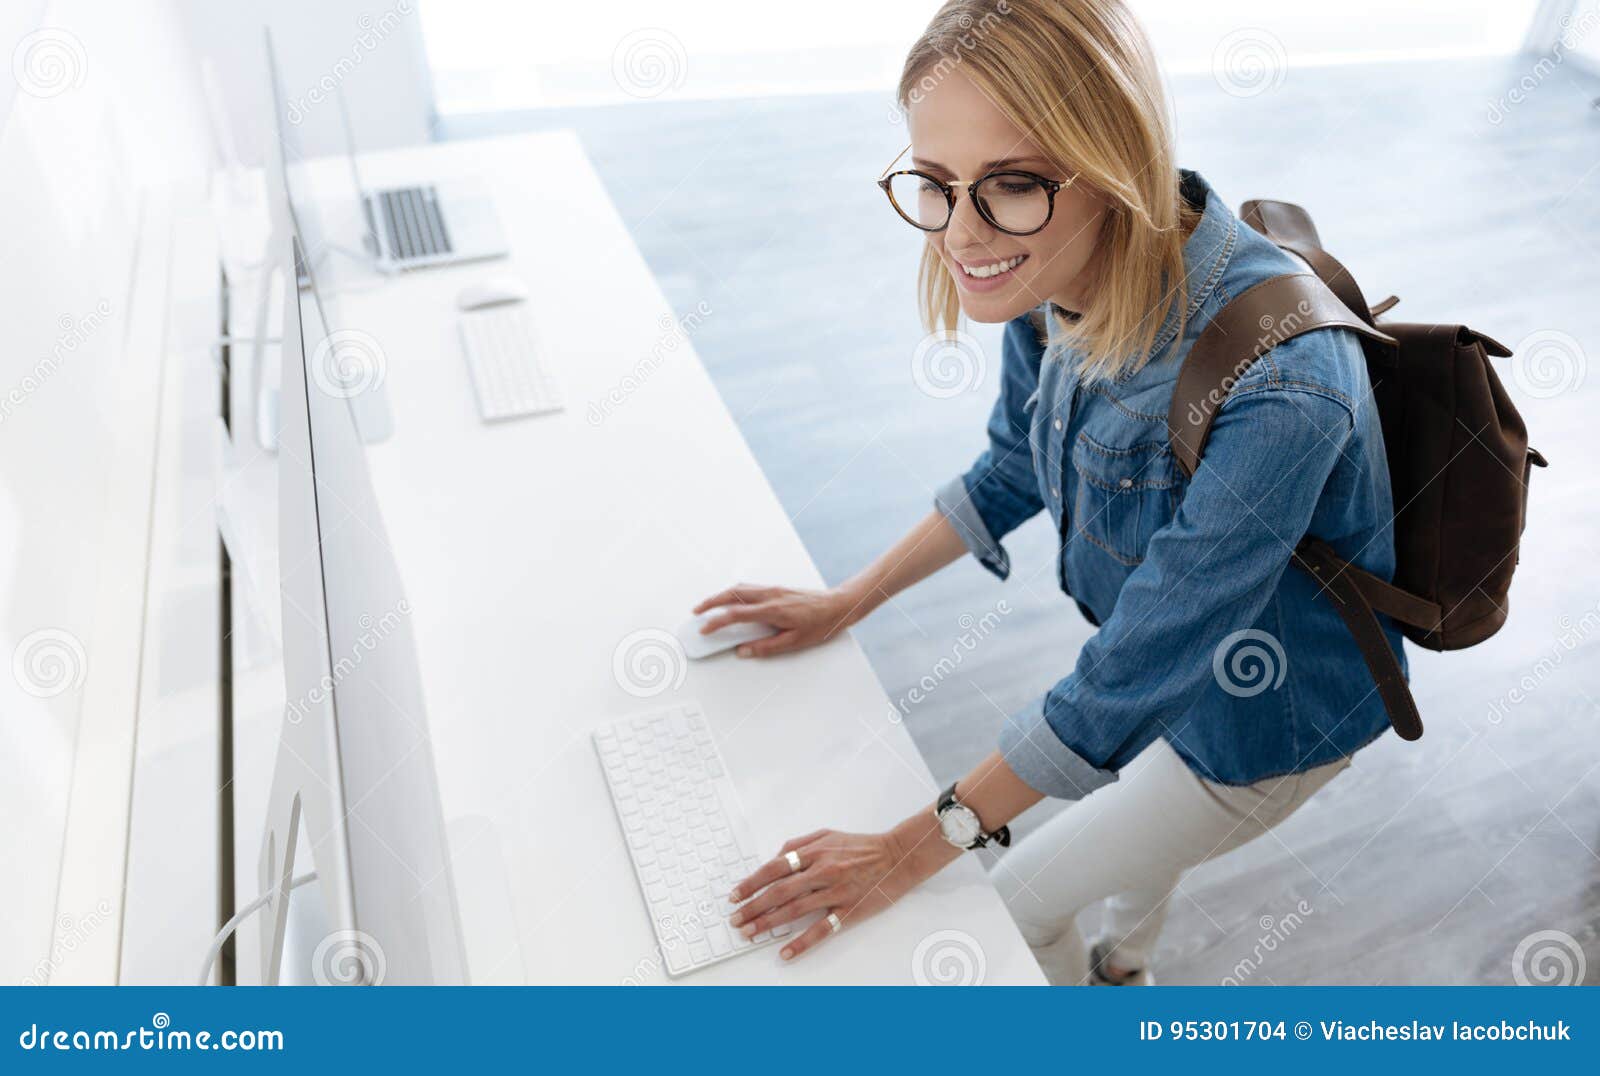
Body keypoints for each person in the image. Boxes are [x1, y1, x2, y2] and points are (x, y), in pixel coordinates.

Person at [693, 0, 1404, 985]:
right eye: (934, 184)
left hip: (1258, 725)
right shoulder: (1052, 272)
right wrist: (847, 599)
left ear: (1116, 163)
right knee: (1121, 856)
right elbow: (1012, 466)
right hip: (1154, 676)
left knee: (1013, 911)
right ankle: (1124, 972)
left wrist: (908, 847)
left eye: (1013, 184)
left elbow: (1132, 672)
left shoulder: (1283, 387)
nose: (961, 233)